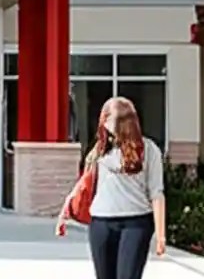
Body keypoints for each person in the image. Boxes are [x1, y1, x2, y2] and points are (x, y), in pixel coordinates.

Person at [57, 97, 167, 279]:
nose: (105, 123)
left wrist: (161, 235)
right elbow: (85, 182)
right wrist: (65, 212)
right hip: (101, 222)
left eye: (109, 118)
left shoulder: (148, 149)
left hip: (136, 223)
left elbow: (157, 193)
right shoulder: (100, 150)